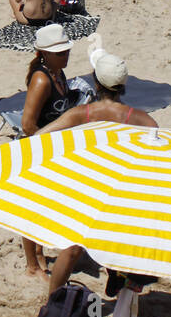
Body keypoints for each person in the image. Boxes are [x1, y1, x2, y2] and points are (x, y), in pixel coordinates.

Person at [37, 47, 157, 294]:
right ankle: (120, 277)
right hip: (123, 194)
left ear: (96, 81)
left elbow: (39, 138)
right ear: (123, 85)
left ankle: (54, 303)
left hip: (89, 189)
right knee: (126, 244)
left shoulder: (83, 114)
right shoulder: (144, 121)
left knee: (71, 250)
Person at [18, 24, 86, 280]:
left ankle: (40, 255)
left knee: (44, 208)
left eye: (66, 50)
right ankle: (32, 265)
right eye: (59, 52)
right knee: (33, 210)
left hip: (53, 148)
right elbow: (27, 123)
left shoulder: (57, 74)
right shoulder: (42, 79)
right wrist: (47, 148)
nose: (65, 55)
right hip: (40, 150)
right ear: (44, 54)